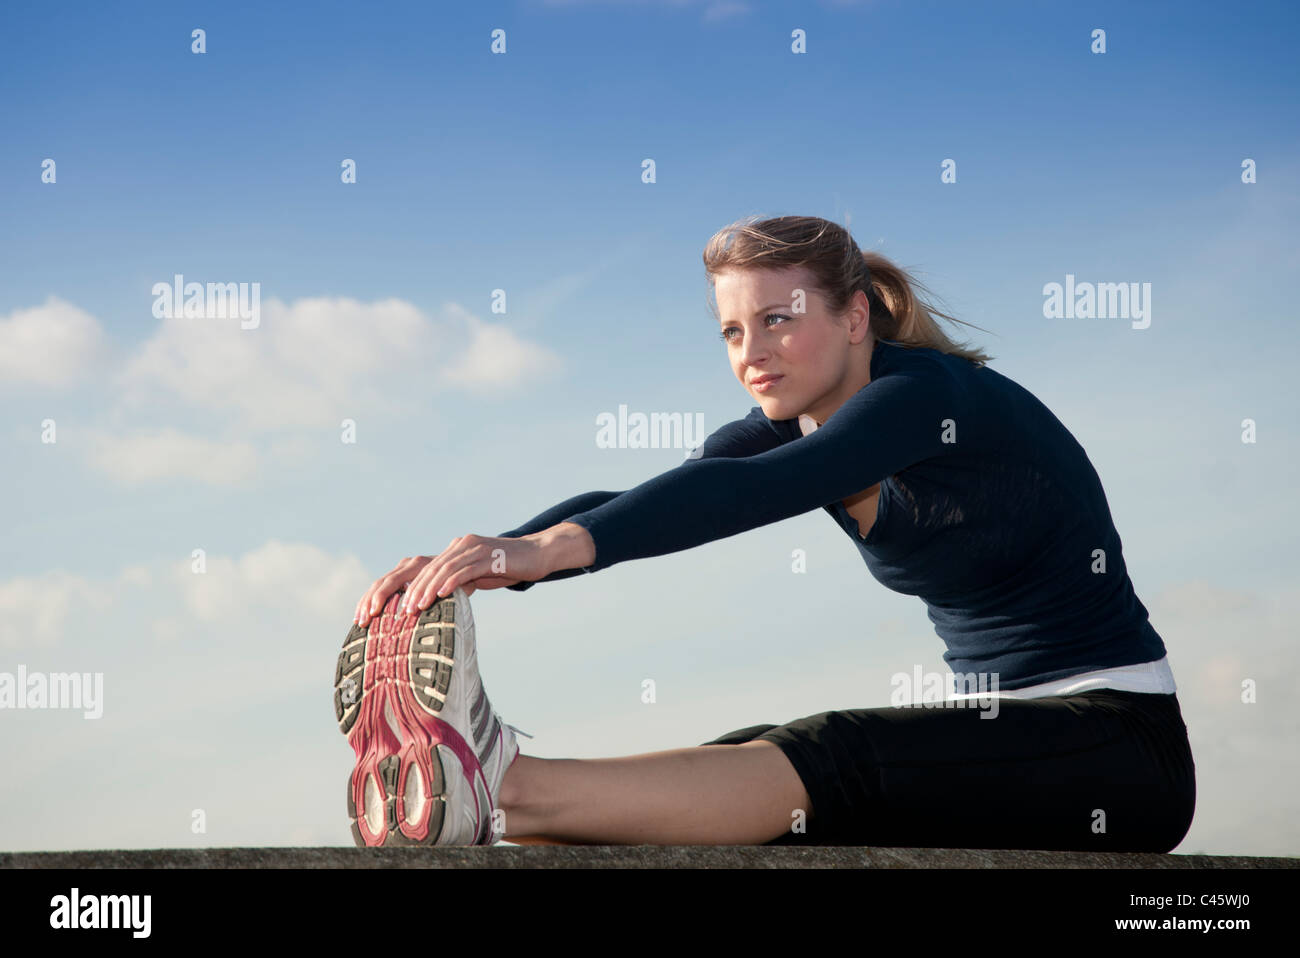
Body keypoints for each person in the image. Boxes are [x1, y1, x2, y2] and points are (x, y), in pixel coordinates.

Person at [342, 214, 1196, 851]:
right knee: (724, 782)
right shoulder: (794, 422)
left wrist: (536, 553)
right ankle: (486, 810)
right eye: (732, 330)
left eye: (779, 319)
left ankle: (495, 781)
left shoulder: (928, 399)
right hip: (1001, 742)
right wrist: (493, 557)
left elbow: (757, 489)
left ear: (856, 317)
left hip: (1117, 746)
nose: (754, 351)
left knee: (836, 757)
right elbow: (675, 490)